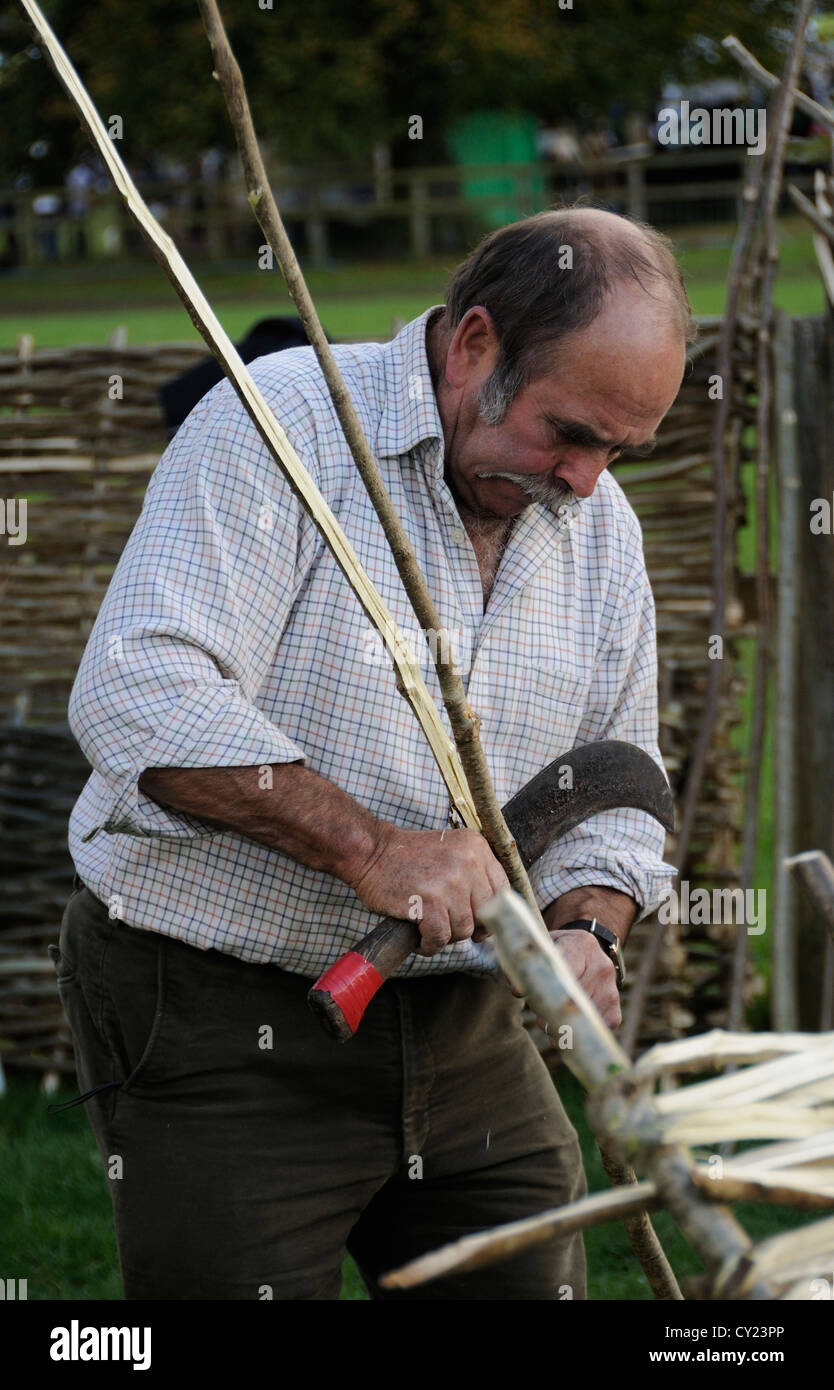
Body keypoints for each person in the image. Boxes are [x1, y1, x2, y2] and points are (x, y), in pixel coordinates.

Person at [57, 205, 690, 1301]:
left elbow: (618, 779)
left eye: (620, 451)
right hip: (222, 1011)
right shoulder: (283, 428)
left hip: (469, 1029)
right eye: (570, 434)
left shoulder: (603, 526)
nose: (588, 480)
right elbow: (139, 692)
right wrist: (373, 850)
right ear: (476, 343)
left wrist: (590, 922)